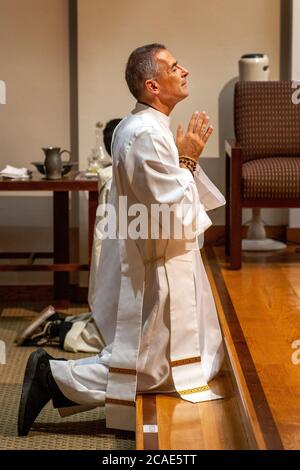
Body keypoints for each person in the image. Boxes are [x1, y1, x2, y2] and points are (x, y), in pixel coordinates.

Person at [17, 43, 225, 436]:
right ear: (153, 85)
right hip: (161, 265)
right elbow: (170, 213)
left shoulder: (147, 126)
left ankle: (58, 381)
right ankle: (52, 377)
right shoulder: (145, 135)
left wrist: (183, 160)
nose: (185, 70)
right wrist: (190, 159)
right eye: (174, 66)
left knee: (177, 362)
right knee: (153, 368)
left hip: (167, 260)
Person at [15, 119, 122, 354]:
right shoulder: (119, 178)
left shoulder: (112, 175)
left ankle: (58, 325)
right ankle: (57, 330)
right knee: (117, 336)